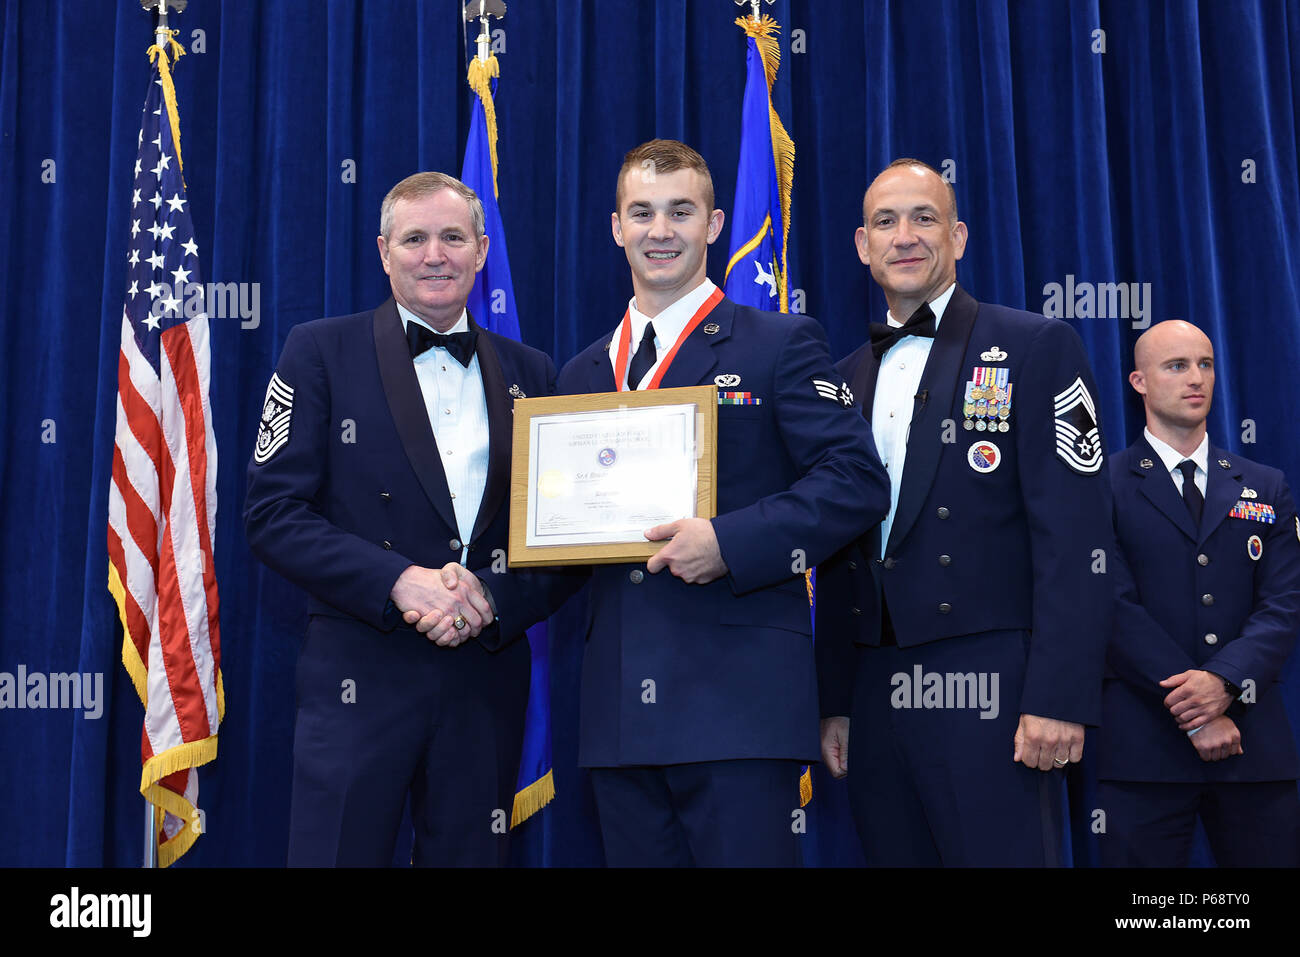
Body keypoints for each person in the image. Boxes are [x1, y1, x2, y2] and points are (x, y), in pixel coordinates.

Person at [471, 139, 889, 866]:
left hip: (738, 708)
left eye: (680, 212)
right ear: (615, 227)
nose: (660, 230)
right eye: (642, 213)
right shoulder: (579, 372)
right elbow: (563, 548)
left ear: (715, 224)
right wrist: (476, 597)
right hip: (620, 718)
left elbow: (856, 479)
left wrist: (727, 542)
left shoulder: (780, 343)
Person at [243, 171, 557, 866]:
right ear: (384, 252)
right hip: (360, 673)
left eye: (453, 237)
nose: (434, 254)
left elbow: (558, 537)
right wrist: (397, 580)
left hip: (485, 677)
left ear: (482, 251)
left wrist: (493, 600)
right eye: (415, 238)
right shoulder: (319, 351)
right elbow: (271, 514)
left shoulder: (533, 371)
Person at [815, 158, 1113, 865]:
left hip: (995, 687)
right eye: (886, 222)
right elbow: (834, 555)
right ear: (862, 244)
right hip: (874, 689)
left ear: (960, 236)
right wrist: (835, 698)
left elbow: (1077, 541)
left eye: (925, 217)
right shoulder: (842, 377)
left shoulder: (1037, 347)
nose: (905, 236)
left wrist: (1060, 695)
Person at [1096, 319, 1300, 866]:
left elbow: (1283, 605)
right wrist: (1200, 711)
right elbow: (1111, 608)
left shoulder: (1265, 485)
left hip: (1253, 746)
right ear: (1139, 381)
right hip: (1143, 749)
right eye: (1177, 366)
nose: (1196, 379)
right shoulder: (1102, 486)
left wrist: (1226, 682)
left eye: (1205, 364)